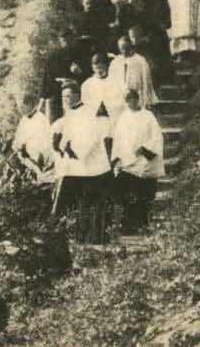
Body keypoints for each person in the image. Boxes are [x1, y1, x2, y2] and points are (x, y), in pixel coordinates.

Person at [51, 81, 111, 245]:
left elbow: (91, 139)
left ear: (78, 96)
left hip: (93, 167)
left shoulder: (88, 112)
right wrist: (59, 144)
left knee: (93, 205)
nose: (66, 100)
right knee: (78, 204)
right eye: (64, 97)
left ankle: (95, 240)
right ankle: (80, 239)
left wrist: (71, 149)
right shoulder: (69, 115)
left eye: (69, 96)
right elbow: (63, 137)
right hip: (78, 168)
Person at [111, 88, 165, 234]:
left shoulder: (148, 116)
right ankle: (128, 224)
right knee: (126, 193)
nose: (131, 102)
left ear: (138, 99)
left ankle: (143, 224)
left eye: (133, 99)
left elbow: (156, 137)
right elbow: (118, 140)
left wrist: (144, 149)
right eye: (128, 100)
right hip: (128, 162)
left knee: (144, 194)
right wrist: (117, 159)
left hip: (144, 160)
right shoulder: (123, 117)